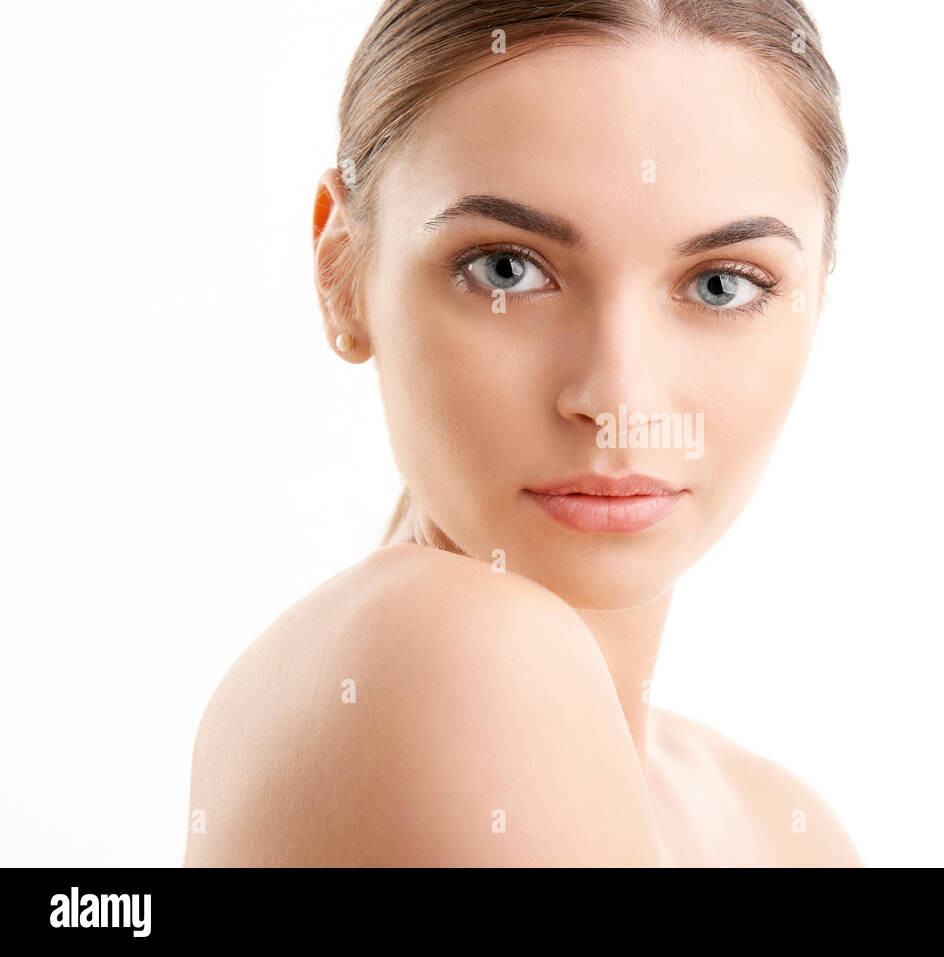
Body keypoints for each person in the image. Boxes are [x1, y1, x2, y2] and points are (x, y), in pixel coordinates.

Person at [184, 0, 858, 867]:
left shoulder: (781, 823)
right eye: (507, 269)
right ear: (341, 272)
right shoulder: (446, 657)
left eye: (723, 284)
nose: (618, 397)